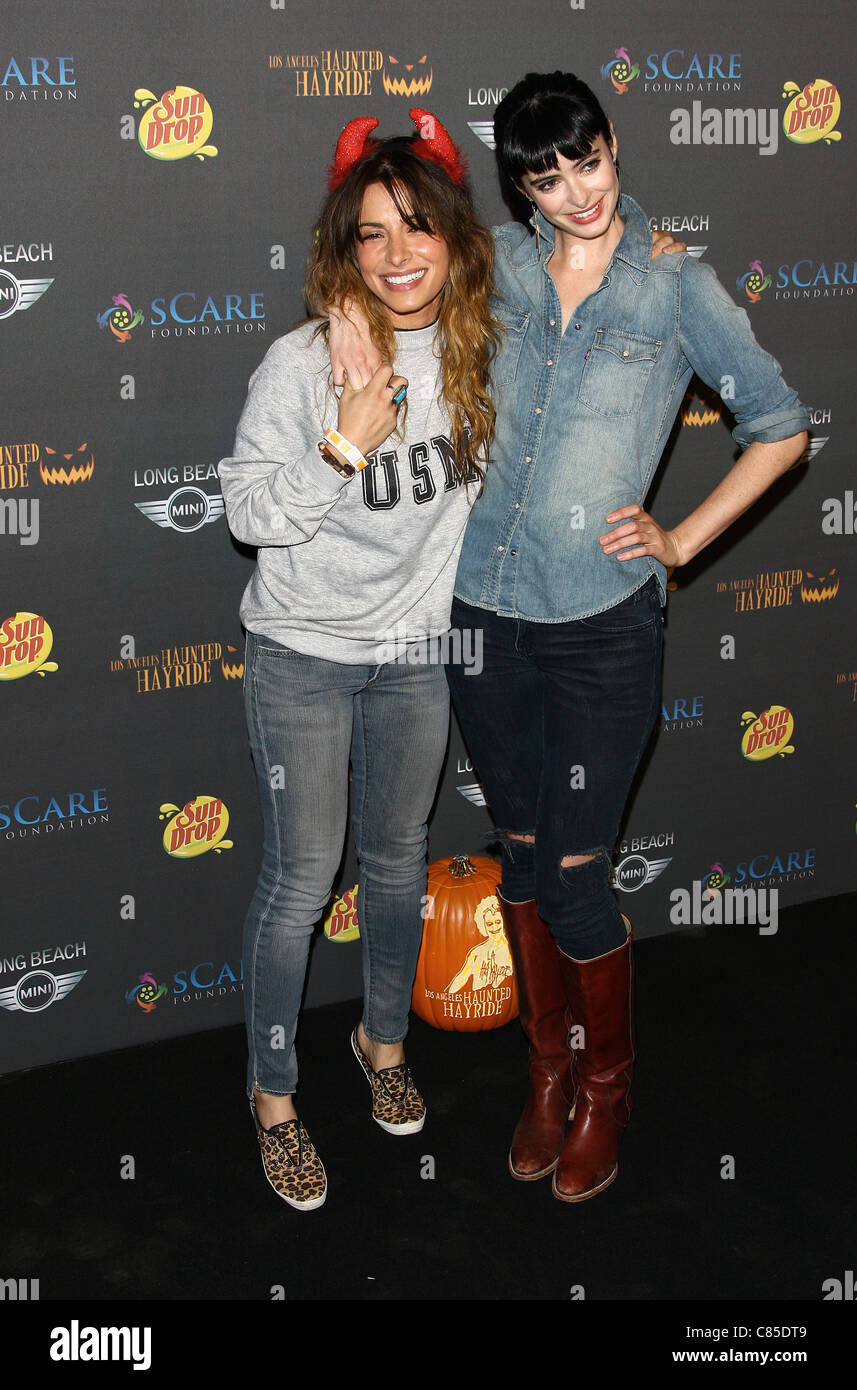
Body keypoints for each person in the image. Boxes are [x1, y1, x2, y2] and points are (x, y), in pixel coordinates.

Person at [330, 71, 809, 1204]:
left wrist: (679, 538)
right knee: (524, 867)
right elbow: (392, 282)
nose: (575, 191)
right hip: (486, 617)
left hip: (600, 629)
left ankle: (610, 1087)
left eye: (586, 160)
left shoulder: (675, 284)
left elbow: (780, 427)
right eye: (544, 174)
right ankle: (546, 1071)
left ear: (611, 144)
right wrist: (350, 309)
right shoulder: (490, 262)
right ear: (520, 184)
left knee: (580, 881)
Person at [218, 110, 499, 1209]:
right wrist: (344, 443)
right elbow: (245, 510)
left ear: (454, 239)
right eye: (371, 232)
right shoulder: (301, 364)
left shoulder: (481, 350)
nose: (396, 254)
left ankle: (383, 1048)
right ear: (344, 246)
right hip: (301, 655)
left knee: (397, 864)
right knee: (299, 881)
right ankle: (272, 1096)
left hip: (414, 655)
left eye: (418, 227)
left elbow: (561, 245)